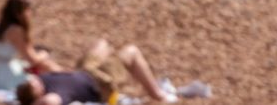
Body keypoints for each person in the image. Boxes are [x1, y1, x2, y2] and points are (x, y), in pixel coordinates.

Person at [15, 40, 179, 105]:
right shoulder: (52, 97)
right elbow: (47, 103)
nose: (34, 81)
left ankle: (129, 72)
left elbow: (53, 67)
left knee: (102, 44)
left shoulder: (42, 80)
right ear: (36, 95)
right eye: (32, 85)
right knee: (131, 51)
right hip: (100, 84)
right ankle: (158, 95)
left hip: (85, 70)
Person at [0, 0, 61, 91]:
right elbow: (32, 60)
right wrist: (44, 54)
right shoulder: (15, 30)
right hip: (5, 78)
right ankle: (68, 79)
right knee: (46, 64)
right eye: (28, 10)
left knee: (42, 65)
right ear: (20, 12)